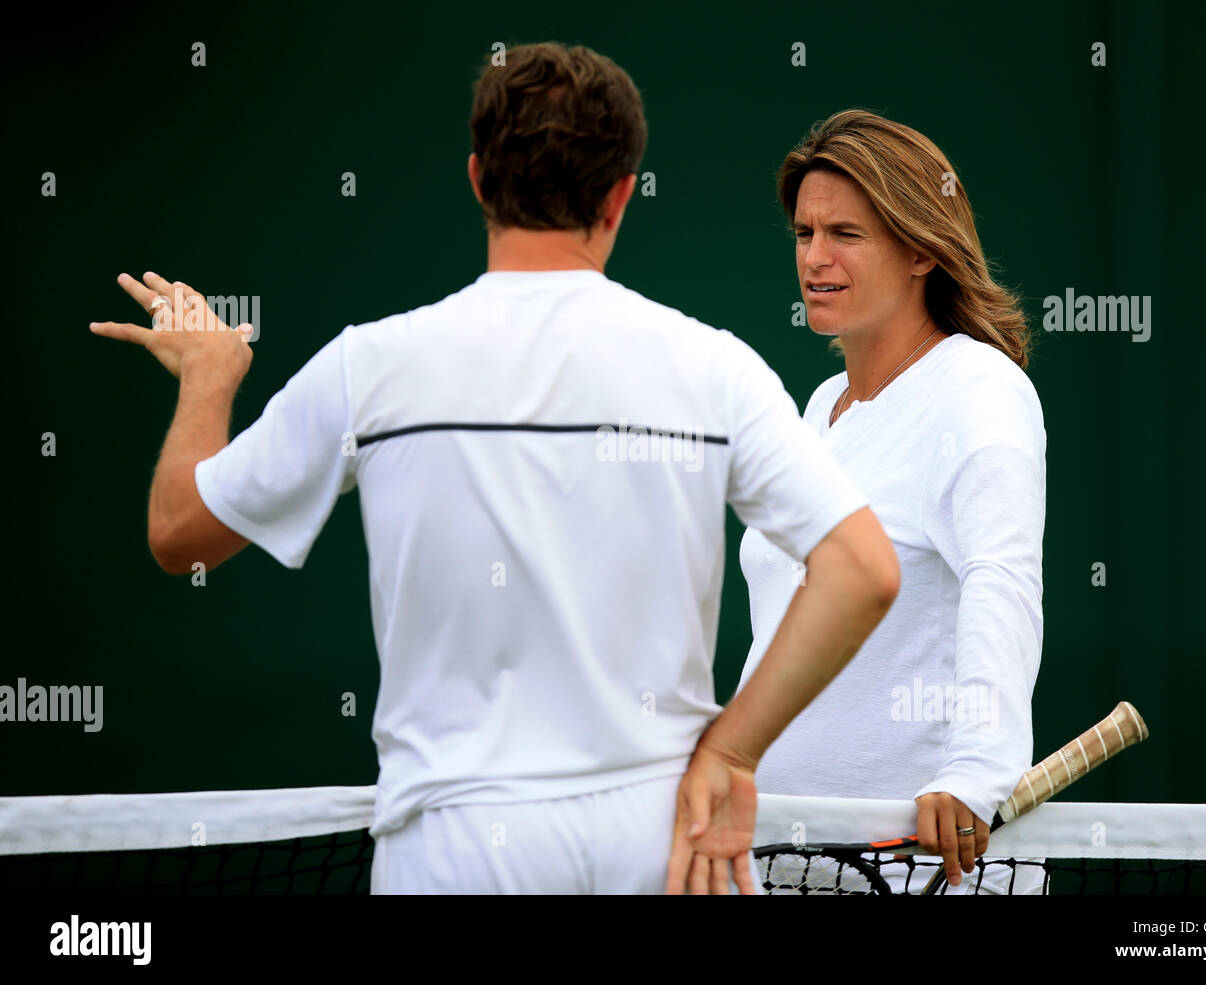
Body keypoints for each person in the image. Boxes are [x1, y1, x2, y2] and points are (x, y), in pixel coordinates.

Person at [87, 45, 899, 894]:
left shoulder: (371, 365)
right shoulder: (717, 369)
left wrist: (210, 377)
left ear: (478, 179)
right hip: (664, 845)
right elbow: (862, 569)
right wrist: (731, 750)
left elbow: (181, 535)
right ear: (623, 192)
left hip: (453, 850)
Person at [737, 109, 1047, 893]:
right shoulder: (820, 406)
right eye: (804, 234)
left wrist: (977, 768)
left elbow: (1000, 577)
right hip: (786, 863)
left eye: (845, 233)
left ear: (920, 250)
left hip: (919, 875)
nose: (815, 257)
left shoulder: (980, 391)